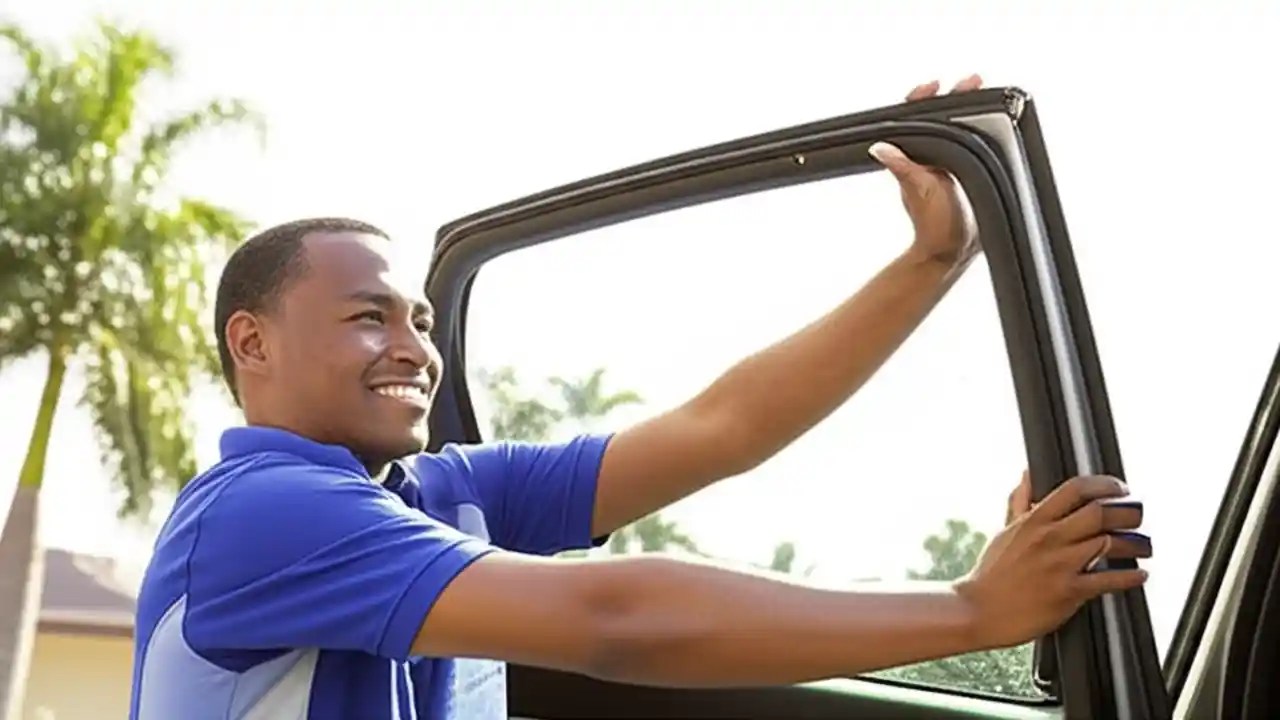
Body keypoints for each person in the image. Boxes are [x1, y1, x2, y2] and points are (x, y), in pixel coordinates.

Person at [129, 75, 1151, 720]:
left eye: (421, 323)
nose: (411, 348)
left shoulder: (431, 494)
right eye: (368, 318)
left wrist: (929, 261)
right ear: (251, 344)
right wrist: (971, 611)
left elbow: (720, 429)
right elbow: (612, 616)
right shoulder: (262, 512)